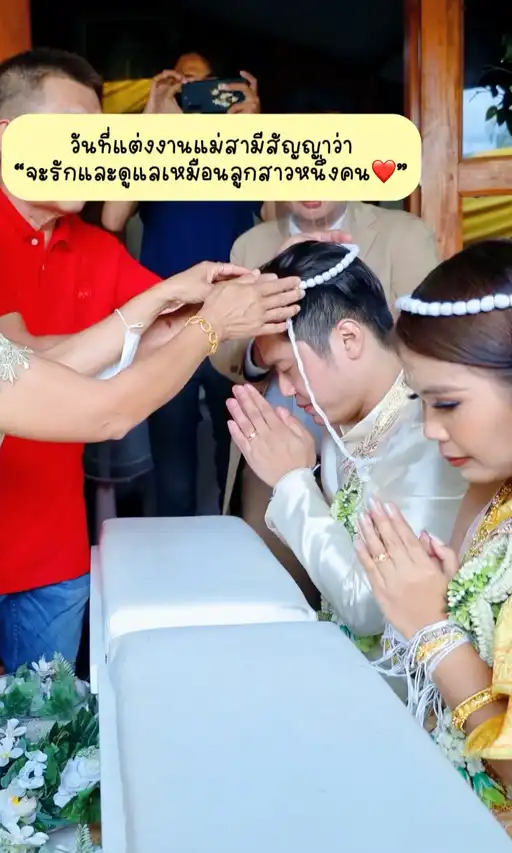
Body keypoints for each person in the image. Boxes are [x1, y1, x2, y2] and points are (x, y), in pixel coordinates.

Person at [0, 54, 300, 849]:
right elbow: (101, 406)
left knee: (25, 773)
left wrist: (171, 306)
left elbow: (43, 368)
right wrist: (208, 323)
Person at [0, 48, 160, 680]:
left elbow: (178, 324)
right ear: (10, 137)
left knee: (51, 728)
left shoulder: (96, 246)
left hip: (57, 551)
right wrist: (149, 325)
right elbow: (21, 363)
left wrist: (262, 310)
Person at [225, 241, 465, 635]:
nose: (284, 389)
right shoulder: (339, 425)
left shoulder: (430, 438)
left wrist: (293, 484)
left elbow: (372, 610)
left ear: (348, 339)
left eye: (287, 367)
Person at [353, 238, 512, 831]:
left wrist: (433, 630)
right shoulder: (488, 487)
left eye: (447, 404)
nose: (430, 430)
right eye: (421, 403)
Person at [213, 198, 441, 584]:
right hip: (289, 445)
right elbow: (225, 351)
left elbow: (430, 339)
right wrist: (270, 343)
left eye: (289, 369)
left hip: (370, 431)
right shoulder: (251, 245)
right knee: (278, 580)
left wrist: (294, 485)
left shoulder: (424, 443)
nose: (310, 182)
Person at [101, 50, 265, 518]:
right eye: (181, 84)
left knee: (236, 461)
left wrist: (256, 133)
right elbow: (113, 216)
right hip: (167, 326)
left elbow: (277, 215)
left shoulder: (239, 151)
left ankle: (232, 547)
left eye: (203, 85)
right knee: (173, 471)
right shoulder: (154, 152)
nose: (192, 94)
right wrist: (151, 120)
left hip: (233, 322)